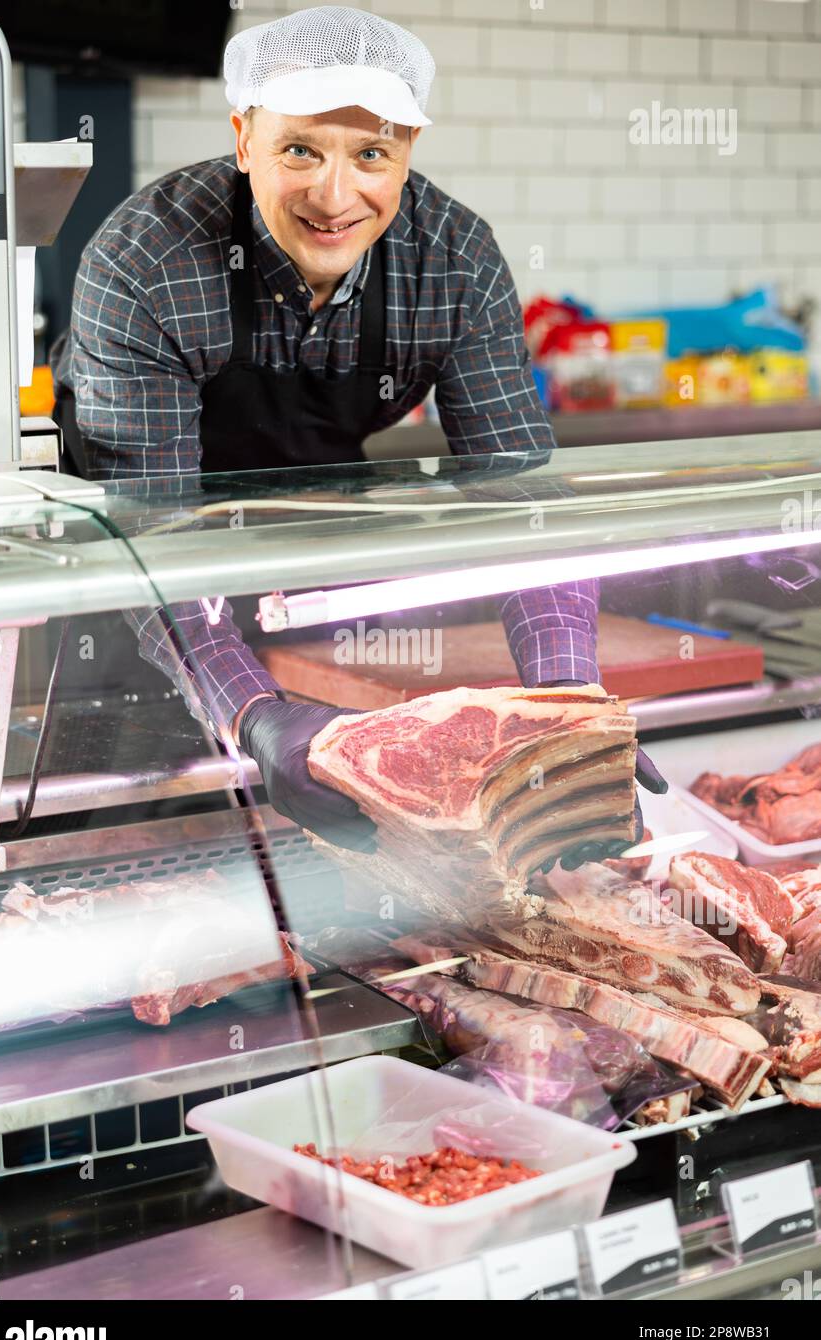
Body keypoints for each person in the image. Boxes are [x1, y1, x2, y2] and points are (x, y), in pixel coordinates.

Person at [51, 6, 665, 856]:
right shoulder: (146, 259)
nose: (335, 198)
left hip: (299, 556)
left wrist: (568, 713)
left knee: (327, 839)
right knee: (146, 836)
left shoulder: (454, 262)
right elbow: (153, 532)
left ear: (409, 149)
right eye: (300, 149)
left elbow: (523, 500)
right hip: (124, 588)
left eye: (372, 154)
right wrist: (255, 716)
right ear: (243, 137)